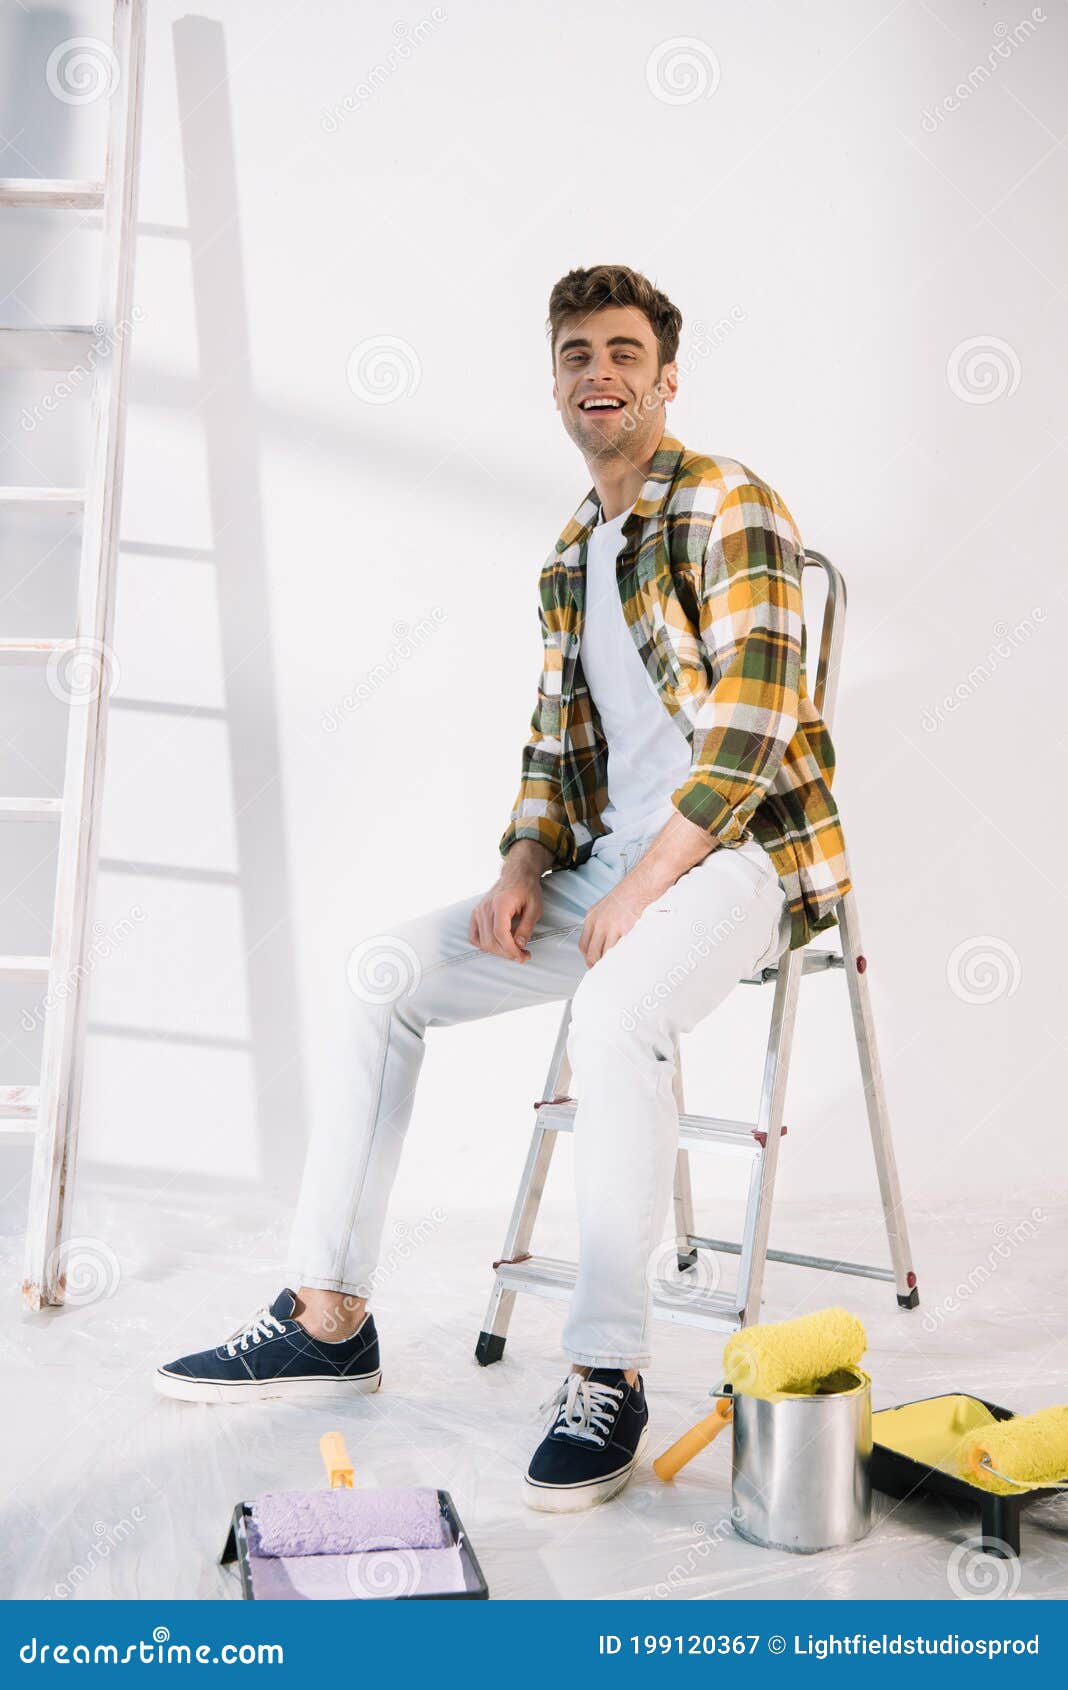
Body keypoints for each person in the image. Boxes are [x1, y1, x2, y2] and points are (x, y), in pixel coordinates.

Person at [155, 264, 851, 1514]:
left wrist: (644, 879)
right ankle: (328, 1315)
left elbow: (754, 718)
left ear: (667, 376)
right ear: (554, 382)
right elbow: (553, 744)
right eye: (578, 352)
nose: (601, 372)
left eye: (626, 352)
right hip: (612, 880)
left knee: (617, 1009)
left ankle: (607, 1369)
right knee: (384, 975)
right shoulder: (572, 551)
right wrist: (527, 864)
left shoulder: (728, 501)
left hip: (739, 861)